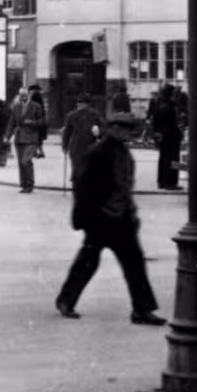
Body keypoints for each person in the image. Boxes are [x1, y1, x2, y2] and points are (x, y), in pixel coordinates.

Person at [55, 112, 165, 325]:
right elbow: (83, 187)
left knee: (134, 262)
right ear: (112, 129)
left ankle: (142, 309)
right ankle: (66, 300)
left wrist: (130, 212)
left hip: (120, 218)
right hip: (101, 218)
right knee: (88, 262)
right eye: (123, 128)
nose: (127, 132)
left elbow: (124, 185)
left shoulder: (122, 151)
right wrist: (85, 218)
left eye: (128, 129)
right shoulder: (98, 152)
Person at [5, 86, 46, 193]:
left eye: (25, 94)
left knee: (26, 161)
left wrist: (32, 122)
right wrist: (7, 137)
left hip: (31, 138)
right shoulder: (16, 106)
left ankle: (30, 185)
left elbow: (43, 122)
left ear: (29, 95)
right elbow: (11, 123)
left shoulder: (36, 106)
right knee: (20, 162)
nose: (23, 96)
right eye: (21, 94)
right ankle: (24, 184)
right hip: (19, 138)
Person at [60, 93, 103, 188]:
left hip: (78, 147)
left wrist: (65, 146)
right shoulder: (94, 115)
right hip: (87, 147)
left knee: (78, 169)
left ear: (87, 104)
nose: (79, 104)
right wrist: (99, 134)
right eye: (79, 102)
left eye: (81, 103)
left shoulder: (72, 115)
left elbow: (66, 133)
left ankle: (79, 188)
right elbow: (102, 131)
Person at [151, 83, 182, 190]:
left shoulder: (159, 104)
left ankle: (162, 182)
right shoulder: (169, 107)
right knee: (172, 159)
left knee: (163, 158)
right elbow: (173, 122)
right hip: (171, 136)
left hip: (163, 135)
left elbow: (155, 121)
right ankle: (170, 183)